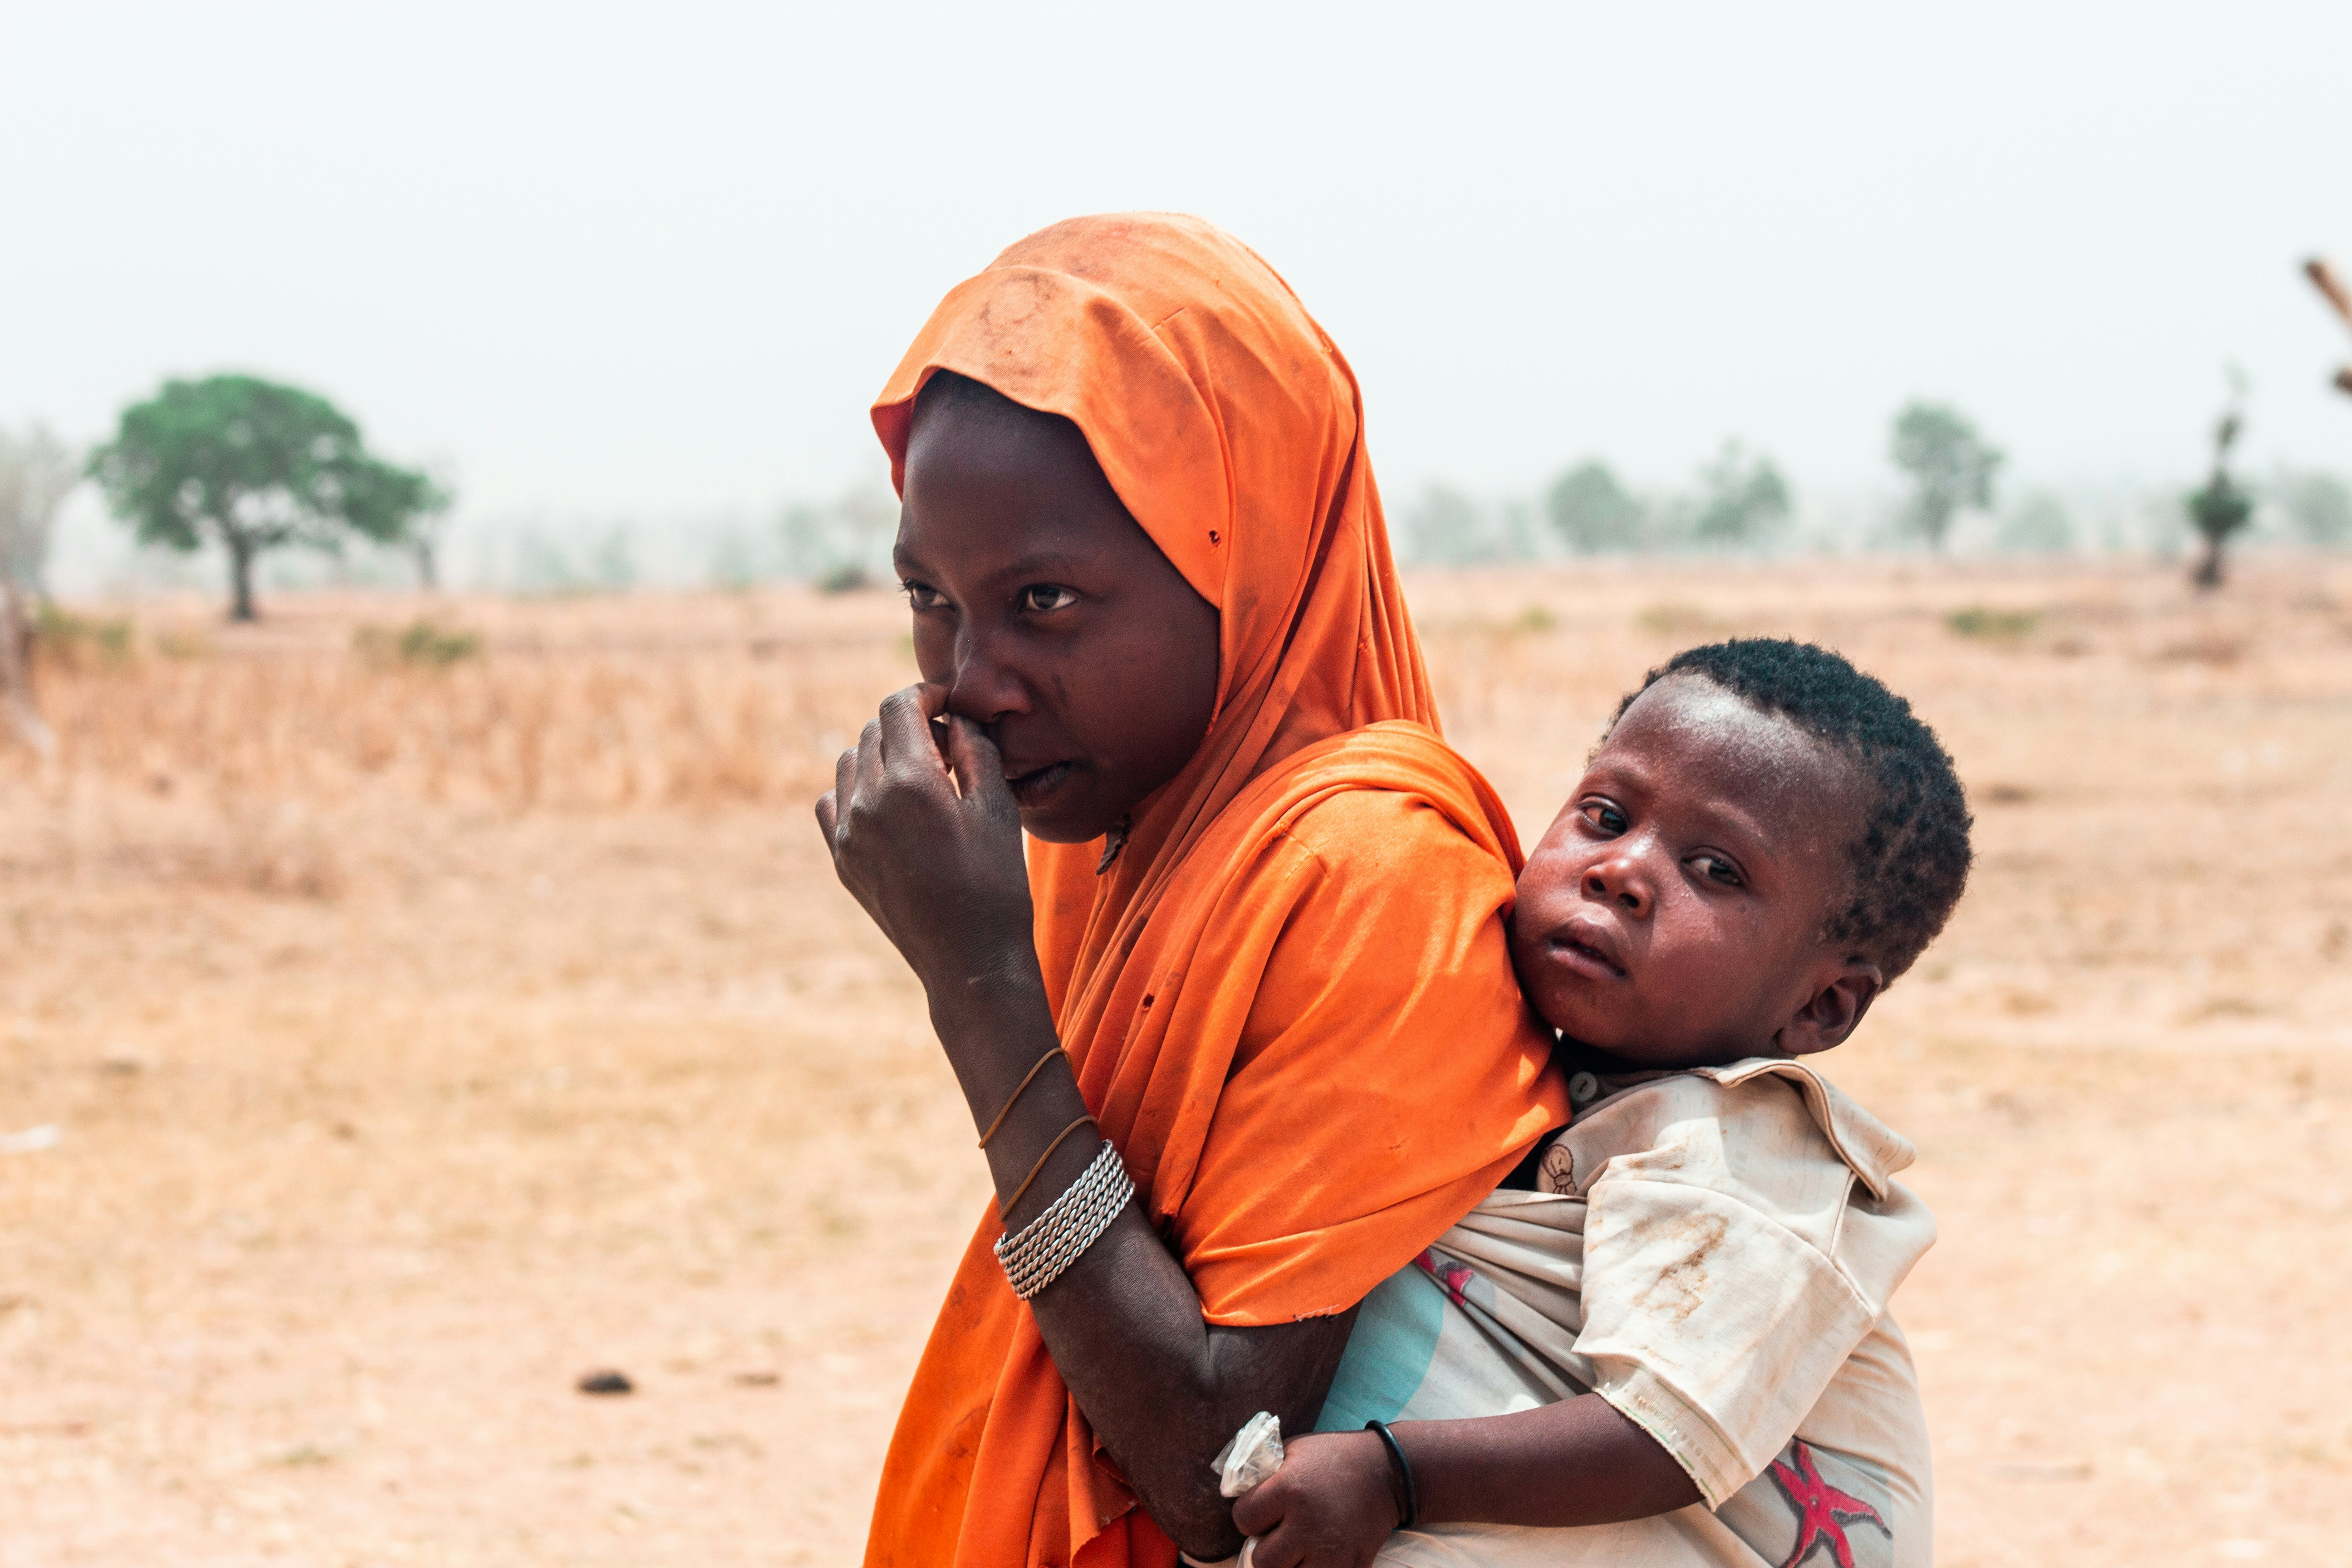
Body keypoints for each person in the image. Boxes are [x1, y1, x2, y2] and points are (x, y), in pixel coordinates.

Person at [816, 213, 1567, 1568]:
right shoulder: (1113, 846)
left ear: (1246, 562)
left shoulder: (1372, 879)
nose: (967, 681)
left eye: (1044, 600)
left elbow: (1223, 1469)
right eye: (931, 597)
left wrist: (977, 985)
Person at [1229, 639, 1973, 1568]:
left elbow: (1666, 1430)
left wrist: (1395, 1476)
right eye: (1605, 814)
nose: (1622, 870)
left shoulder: (1749, 1147)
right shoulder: (1485, 1059)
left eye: (1718, 872)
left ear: (1821, 1007)